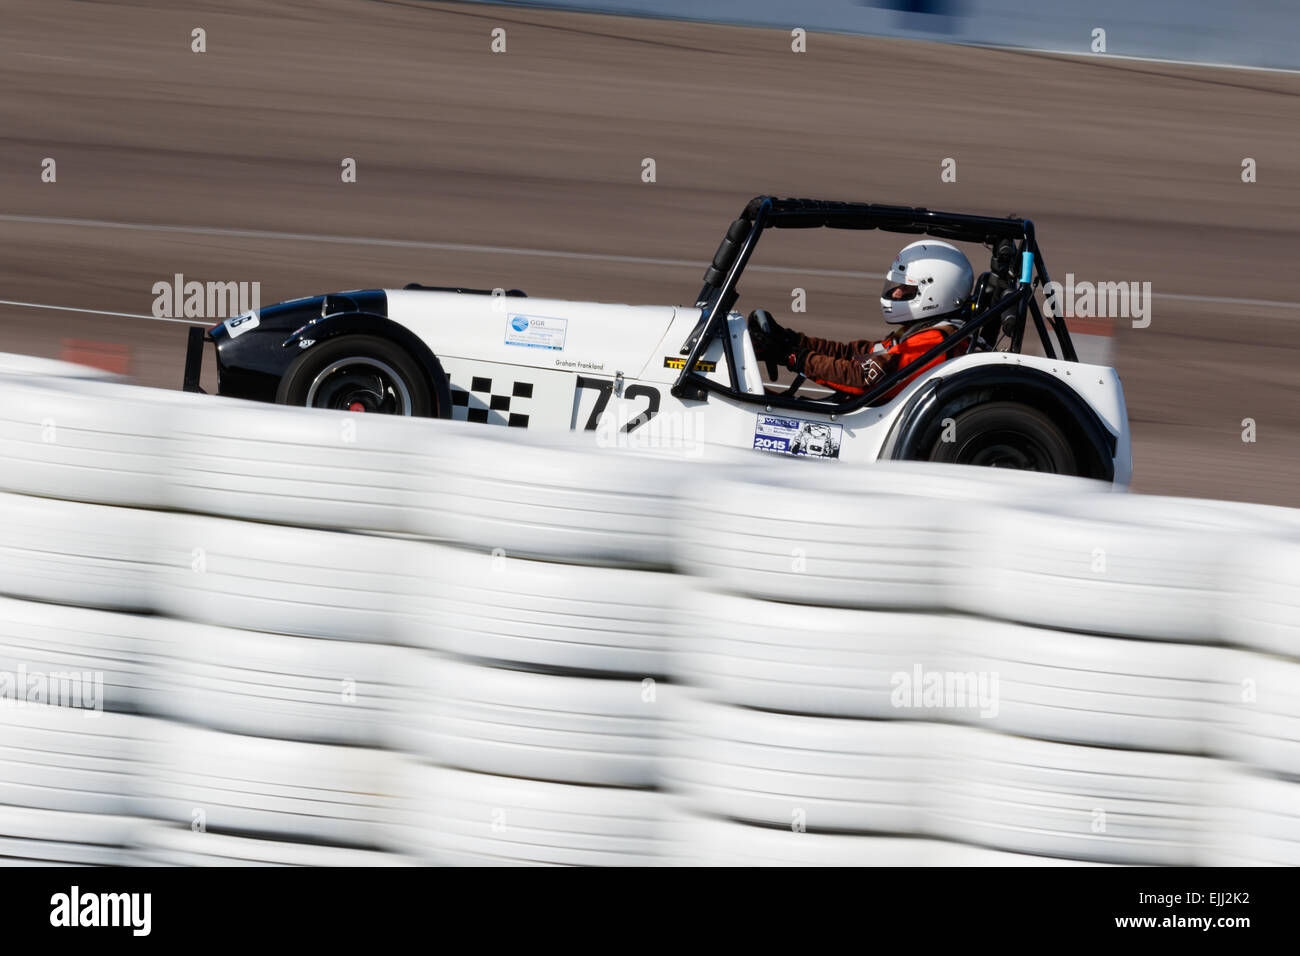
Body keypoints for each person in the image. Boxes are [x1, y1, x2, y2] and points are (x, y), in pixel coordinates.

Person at [749, 239, 976, 399]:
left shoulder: (933, 341)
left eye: (906, 289)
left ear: (937, 293)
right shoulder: (923, 331)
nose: (895, 294)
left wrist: (791, 356)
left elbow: (862, 378)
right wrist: (791, 341)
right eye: (895, 287)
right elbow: (857, 355)